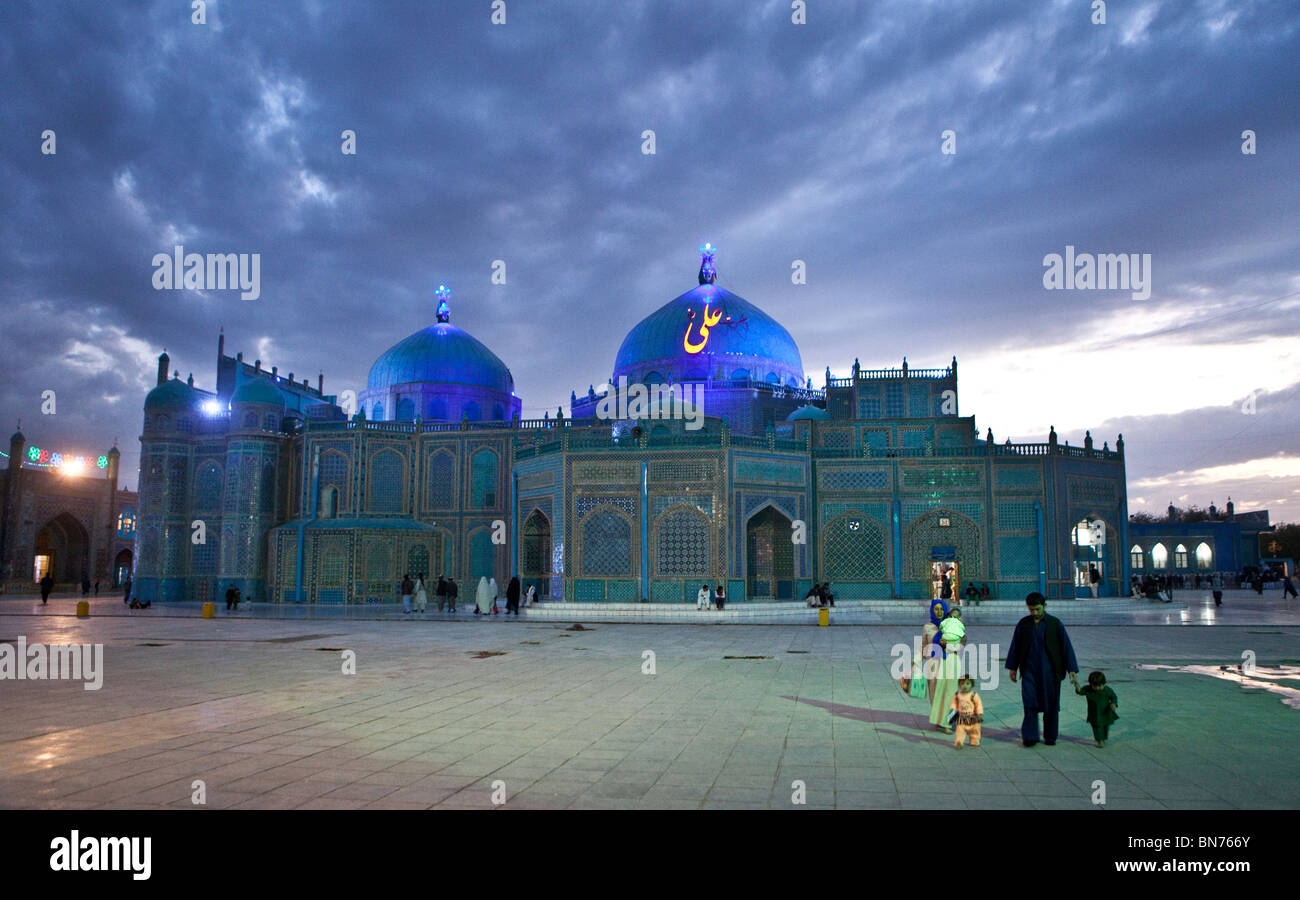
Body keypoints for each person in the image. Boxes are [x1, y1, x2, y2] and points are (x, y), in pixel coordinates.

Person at [1005, 592, 1079, 747]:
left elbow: (1066, 647)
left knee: (1051, 704)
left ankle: (1050, 736)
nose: (1035, 613)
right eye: (1031, 610)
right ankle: (1030, 736)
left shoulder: (1054, 624)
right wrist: (1013, 667)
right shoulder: (1024, 624)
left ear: (1044, 606)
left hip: (1051, 672)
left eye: (1038, 609)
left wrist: (1072, 669)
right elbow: (1016, 646)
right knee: (1029, 702)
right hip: (1029, 671)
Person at [1071, 669, 1119, 748]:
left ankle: (1103, 738)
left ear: (1104, 683)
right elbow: (1080, 692)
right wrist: (1076, 685)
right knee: (1096, 727)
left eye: (1100, 686)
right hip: (1094, 713)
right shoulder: (1088, 689)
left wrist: (1113, 704)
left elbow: (1114, 697)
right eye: (1095, 686)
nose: (1097, 688)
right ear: (1090, 684)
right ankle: (1099, 740)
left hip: (1106, 712)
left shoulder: (1107, 690)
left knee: (1105, 726)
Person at [951, 676, 984, 749]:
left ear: (972, 685)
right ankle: (959, 742)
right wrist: (953, 710)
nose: (965, 686)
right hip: (961, 717)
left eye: (968, 683)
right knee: (960, 730)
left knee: (975, 730)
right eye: (962, 683)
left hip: (972, 717)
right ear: (959, 685)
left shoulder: (974, 695)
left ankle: (974, 740)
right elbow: (954, 703)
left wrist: (979, 713)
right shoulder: (957, 695)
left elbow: (978, 705)